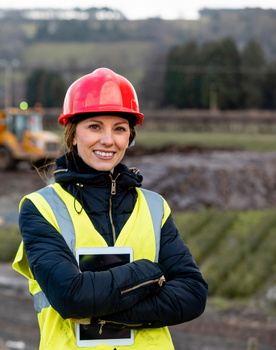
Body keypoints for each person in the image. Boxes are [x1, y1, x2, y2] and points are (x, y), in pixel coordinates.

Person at [13, 68, 208, 349]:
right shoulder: (41, 209)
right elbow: (72, 298)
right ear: (73, 134)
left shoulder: (154, 207)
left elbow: (193, 294)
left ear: (129, 136)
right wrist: (149, 272)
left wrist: (99, 310)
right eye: (95, 126)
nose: (108, 140)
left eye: (119, 128)